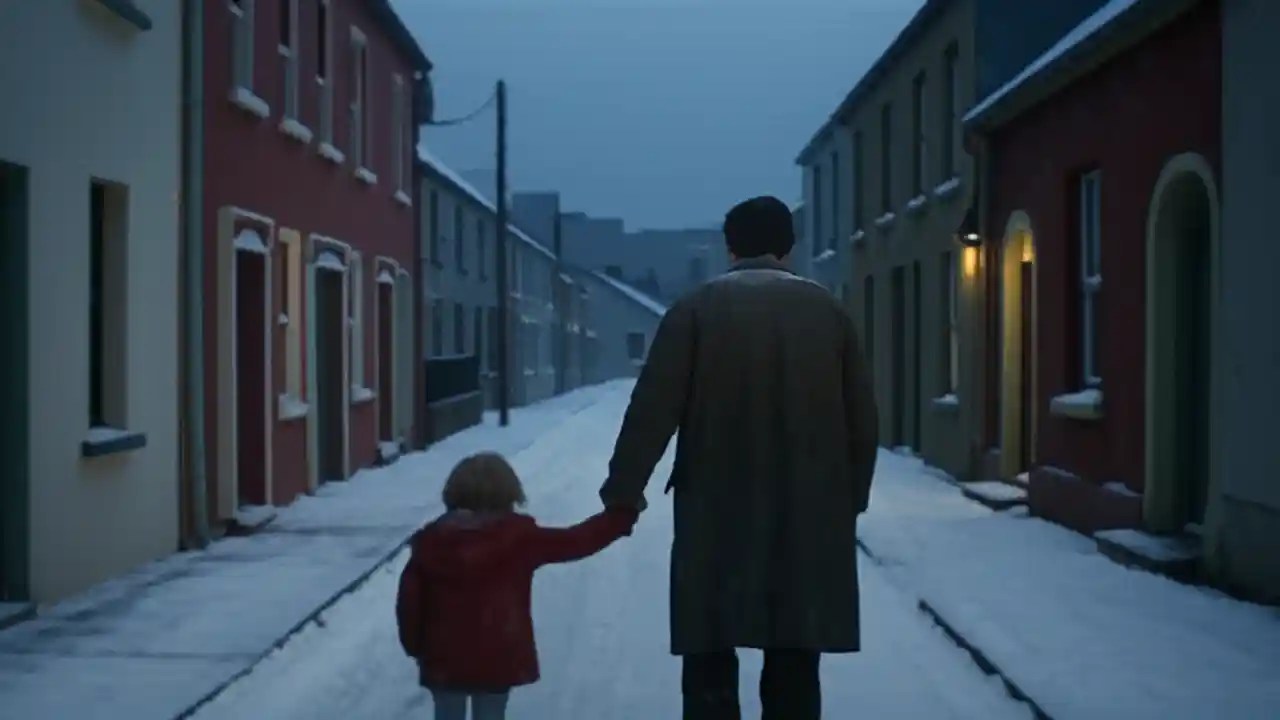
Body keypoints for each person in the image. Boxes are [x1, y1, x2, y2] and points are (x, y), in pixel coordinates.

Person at [599, 195, 880, 719]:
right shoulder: (828, 313)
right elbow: (862, 421)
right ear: (789, 247)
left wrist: (623, 490)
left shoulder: (696, 310)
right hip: (807, 509)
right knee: (796, 651)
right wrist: (849, 499)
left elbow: (652, 409)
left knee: (709, 647)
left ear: (730, 247)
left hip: (714, 508)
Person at [396, 452, 638, 720]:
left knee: (446, 714)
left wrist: (417, 647)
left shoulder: (431, 543)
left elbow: (409, 602)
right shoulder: (519, 540)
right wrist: (619, 517)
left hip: (442, 656)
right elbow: (577, 540)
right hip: (498, 654)